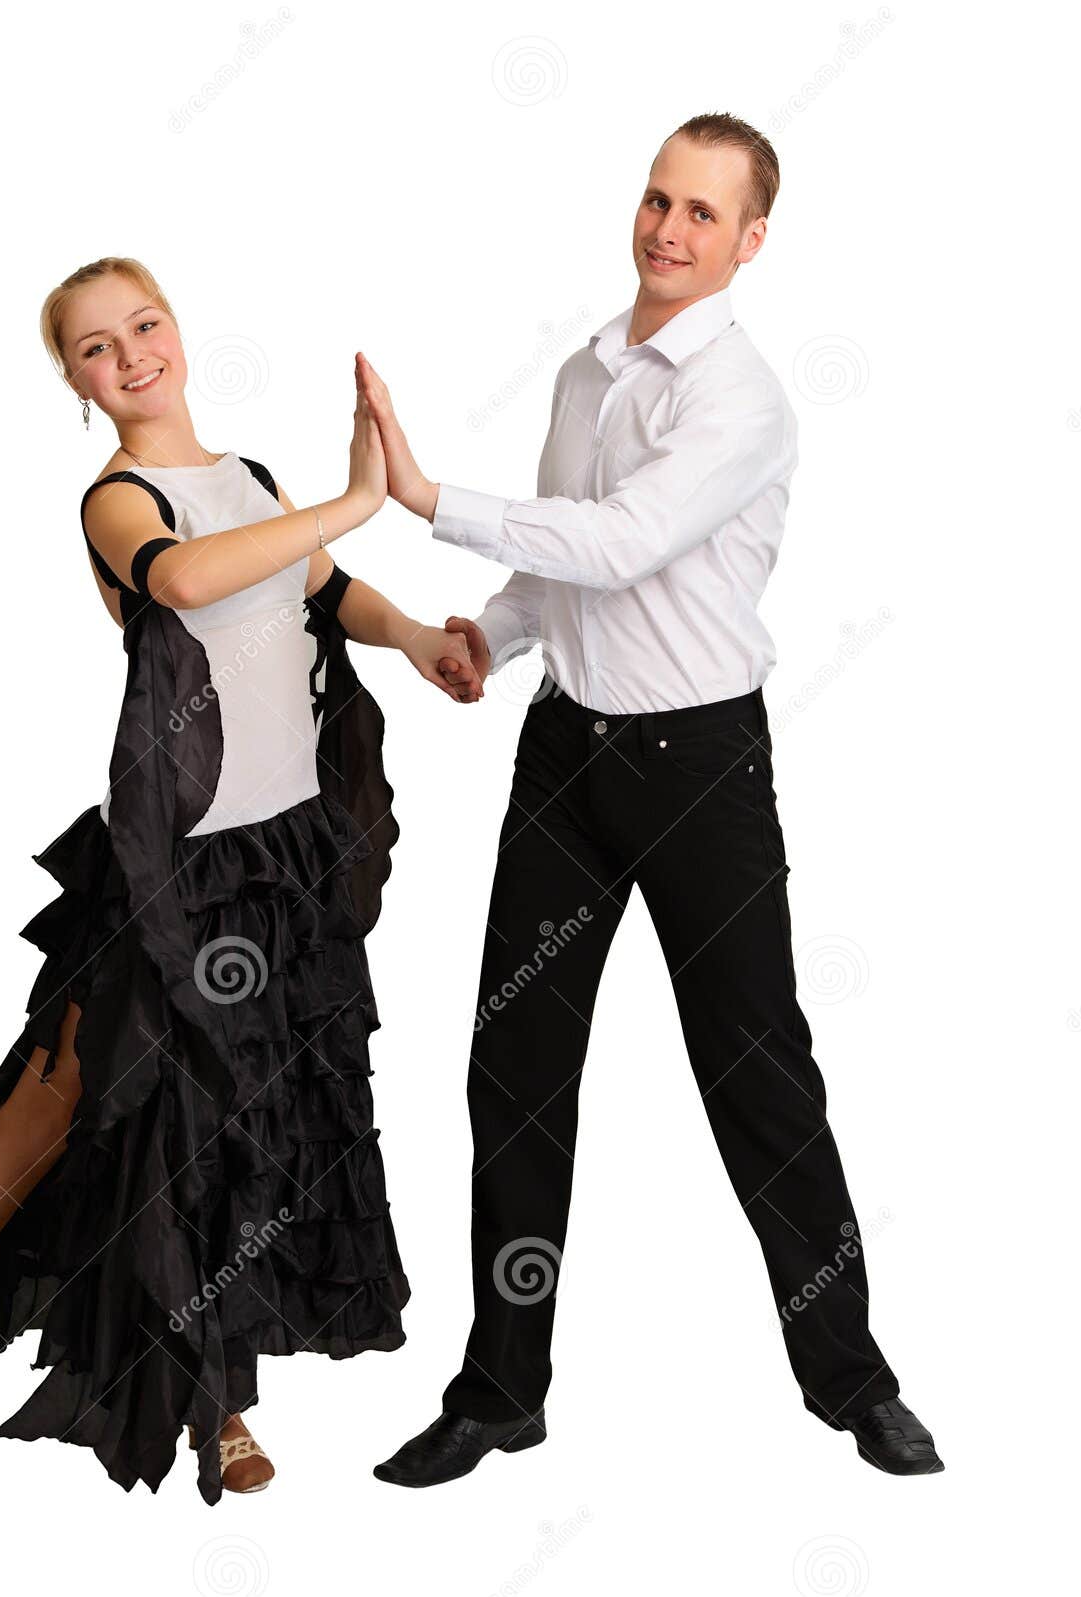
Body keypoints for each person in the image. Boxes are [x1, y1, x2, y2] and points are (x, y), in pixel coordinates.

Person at [0, 256, 482, 1506]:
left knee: (237, 1126)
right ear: (76, 383)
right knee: (53, 1099)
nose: (131, 355)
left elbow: (322, 591)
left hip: (279, 858)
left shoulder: (252, 482)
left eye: (144, 325)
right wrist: (356, 498)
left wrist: (411, 635)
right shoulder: (119, 501)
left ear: (177, 330)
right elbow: (186, 578)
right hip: (168, 863)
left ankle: (217, 1388)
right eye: (96, 347)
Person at [363, 113, 944, 1485]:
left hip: (698, 774)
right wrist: (493, 638)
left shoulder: (741, 399)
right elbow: (564, 557)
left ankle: (853, 1382)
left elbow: (623, 543)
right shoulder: (586, 371)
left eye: (701, 213)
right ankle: (501, 1390)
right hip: (564, 764)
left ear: (750, 241)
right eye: (657, 199)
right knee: (514, 1072)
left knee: (758, 1077)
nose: (668, 229)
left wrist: (427, 496)